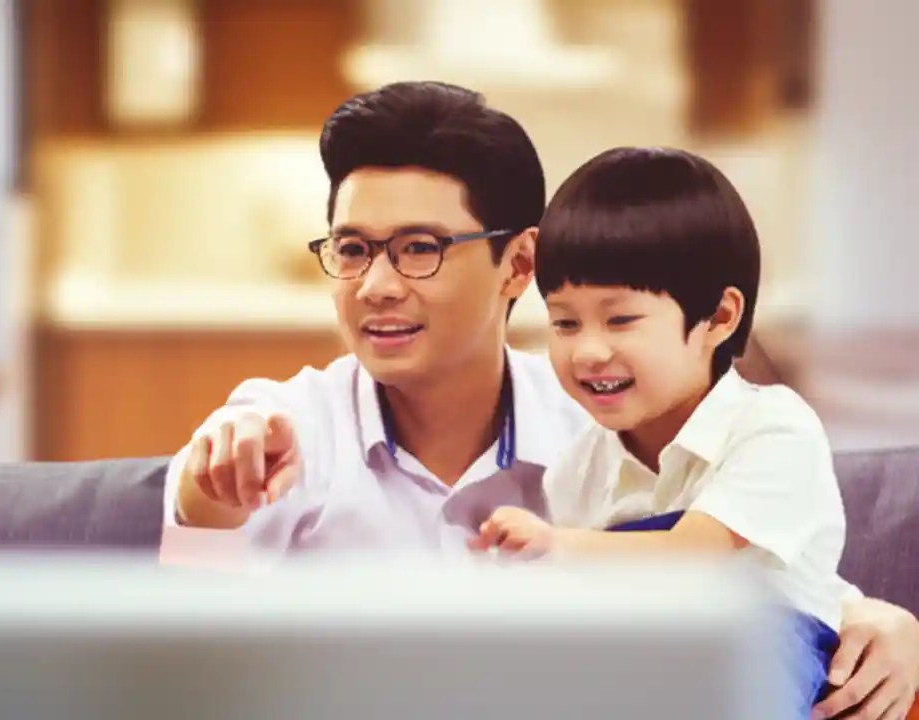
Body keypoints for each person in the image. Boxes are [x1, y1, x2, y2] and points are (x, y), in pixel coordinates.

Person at [163, 81, 919, 719]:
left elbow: (740, 562)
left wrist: (875, 618)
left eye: (419, 248)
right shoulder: (283, 429)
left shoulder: (596, 430)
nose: (377, 285)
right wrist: (209, 500)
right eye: (354, 249)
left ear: (517, 262)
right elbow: (176, 655)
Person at [469, 146, 839, 714]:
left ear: (719, 318)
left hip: (763, 653)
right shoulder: (581, 466)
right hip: (638, 655)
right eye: (565, 322)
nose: (588, 350)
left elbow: (698, 552)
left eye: (621, 320)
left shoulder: (773, 429)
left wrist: (556, 545)